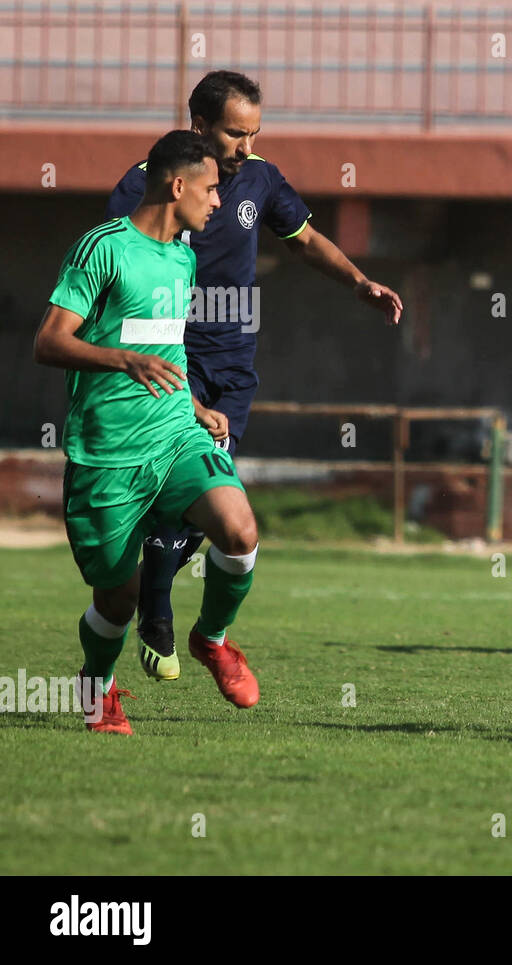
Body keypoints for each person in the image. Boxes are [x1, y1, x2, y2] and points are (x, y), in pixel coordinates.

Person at [105, 70, 402, 683]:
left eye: (254, 132)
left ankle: (177, 624)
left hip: (233, 370)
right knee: (175, 503)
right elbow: (121, 267)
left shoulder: (260, 177)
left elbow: (305, 239)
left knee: (213, 509)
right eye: (235, 133)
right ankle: (144, 628)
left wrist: (358, 282)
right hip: (165, 366)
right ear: (198, 127)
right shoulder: (143, 183)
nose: (246, 146)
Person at [34, 130, 263, 734]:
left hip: (174, 437)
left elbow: (161, 344)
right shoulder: (102, 248)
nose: (219, 201)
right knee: (118, 600)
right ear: (177, 184)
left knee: (239, 531)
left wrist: (192, 405)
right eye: (212, 189)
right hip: (107, 451)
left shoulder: (183, 257)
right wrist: (121, 361)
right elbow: (49, 342)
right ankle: (97, 684)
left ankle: (211, 638)